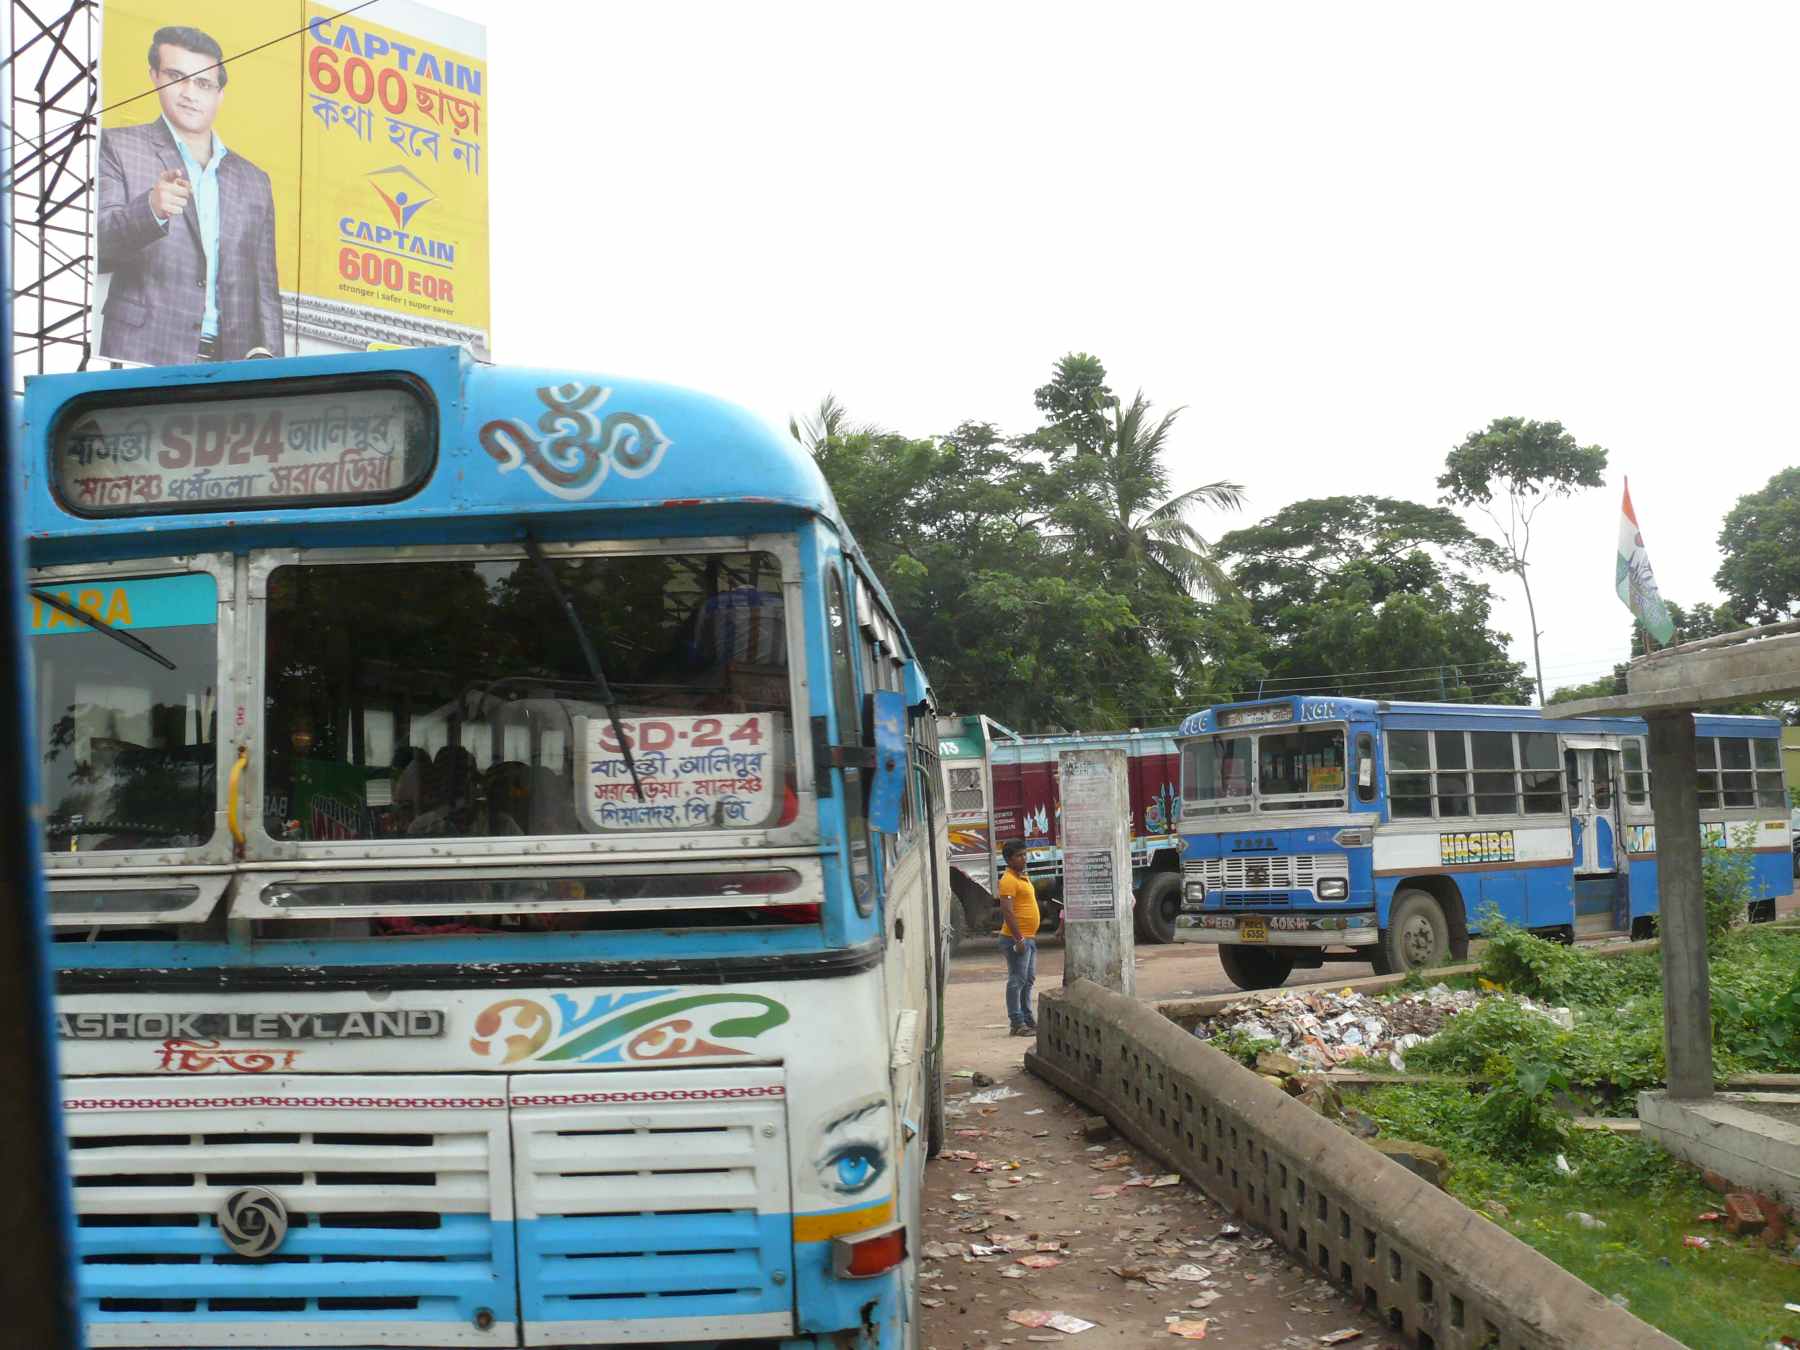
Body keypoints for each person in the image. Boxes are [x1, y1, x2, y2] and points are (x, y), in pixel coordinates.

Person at [96, 24, 283, 365]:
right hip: (143, 353)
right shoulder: (118, 146)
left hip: (229, 364)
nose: (189, 93)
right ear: (154, 76)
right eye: (176, 77)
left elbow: (265, 291)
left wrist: (275, 373)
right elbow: (96, 249)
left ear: (219, 94)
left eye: (203, 83)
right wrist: (150, 210)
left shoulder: (255, 181)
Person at [997, 839, 1039, 1037]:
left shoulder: (1022, 877)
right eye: (1019, 856)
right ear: (1009, 859)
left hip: (1029, 938)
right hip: (1016, 939)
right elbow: (1007, 911)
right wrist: (1018, 938)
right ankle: (1017, 1022)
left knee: (1028, 979)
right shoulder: (1008, 880)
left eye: (1024, 854)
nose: (1024, 858)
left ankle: (1027, 1019)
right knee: (1017, 980)